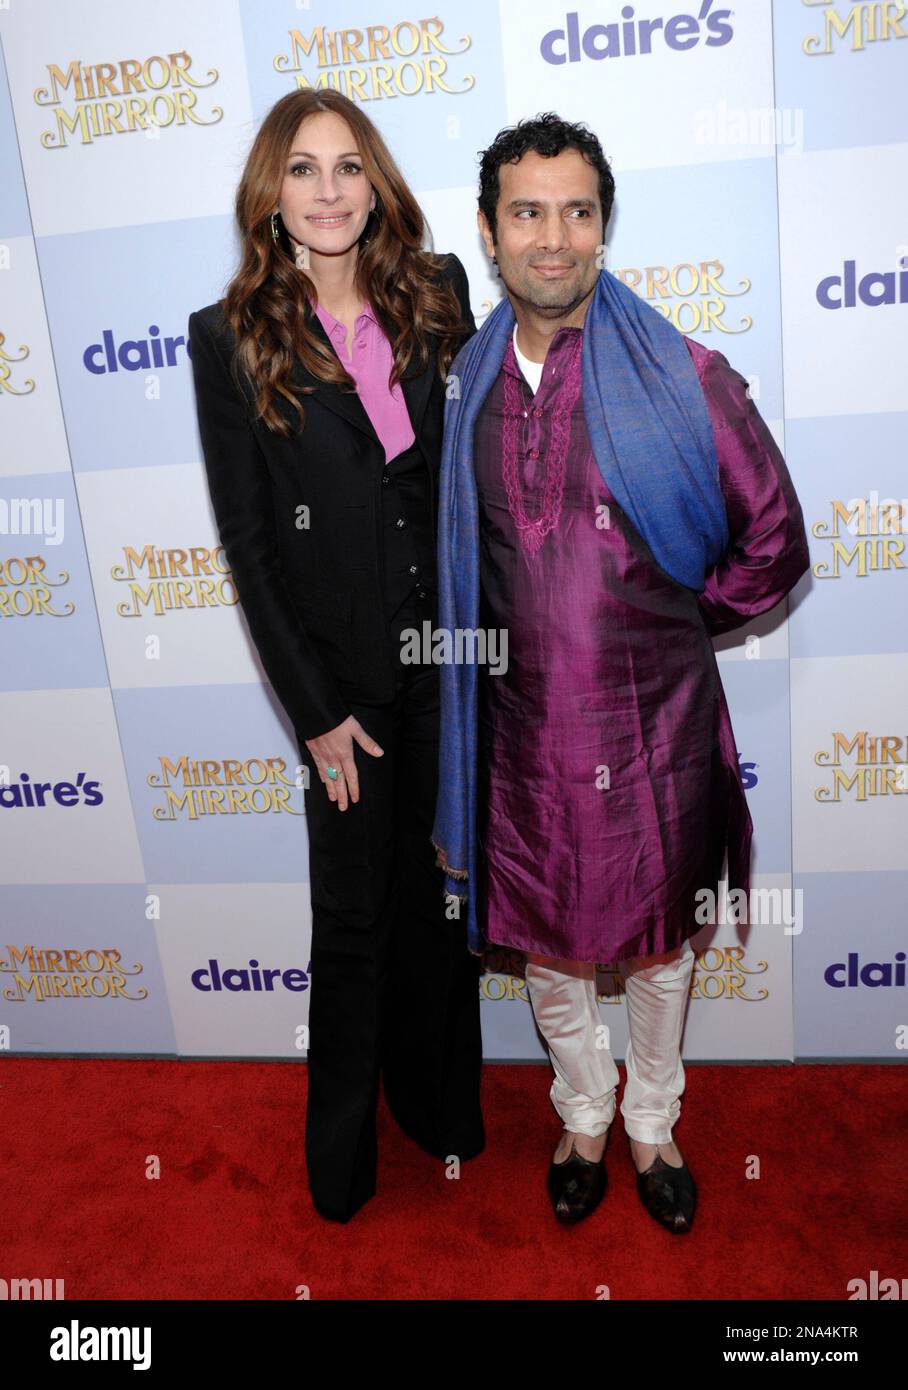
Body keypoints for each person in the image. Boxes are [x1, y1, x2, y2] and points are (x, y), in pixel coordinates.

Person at [431, 113, 810, 1232]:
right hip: (518, 728)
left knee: (654, 941)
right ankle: (581, 1111)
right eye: (526, 212)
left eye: (576, 211)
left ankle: (651, 1118)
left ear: (603, 226)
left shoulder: (685, 377)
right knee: (546, 940)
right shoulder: (462, 387)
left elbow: (774, 540)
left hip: (652, 729)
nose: (552, 237)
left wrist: (675, 625)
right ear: (491, 231)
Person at [188, 89, 484, 1224]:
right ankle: (342, 1164)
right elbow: (249, 549)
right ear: (271, 195)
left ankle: (443, 1112)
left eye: (348, 167)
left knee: (440, 905)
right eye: (302, 170)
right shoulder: (228, 337)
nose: (327, 191)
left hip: (448, 663)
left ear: (377, 183)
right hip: (344, 689)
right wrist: (312, 712)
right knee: (354, 920)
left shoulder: (438, 292)